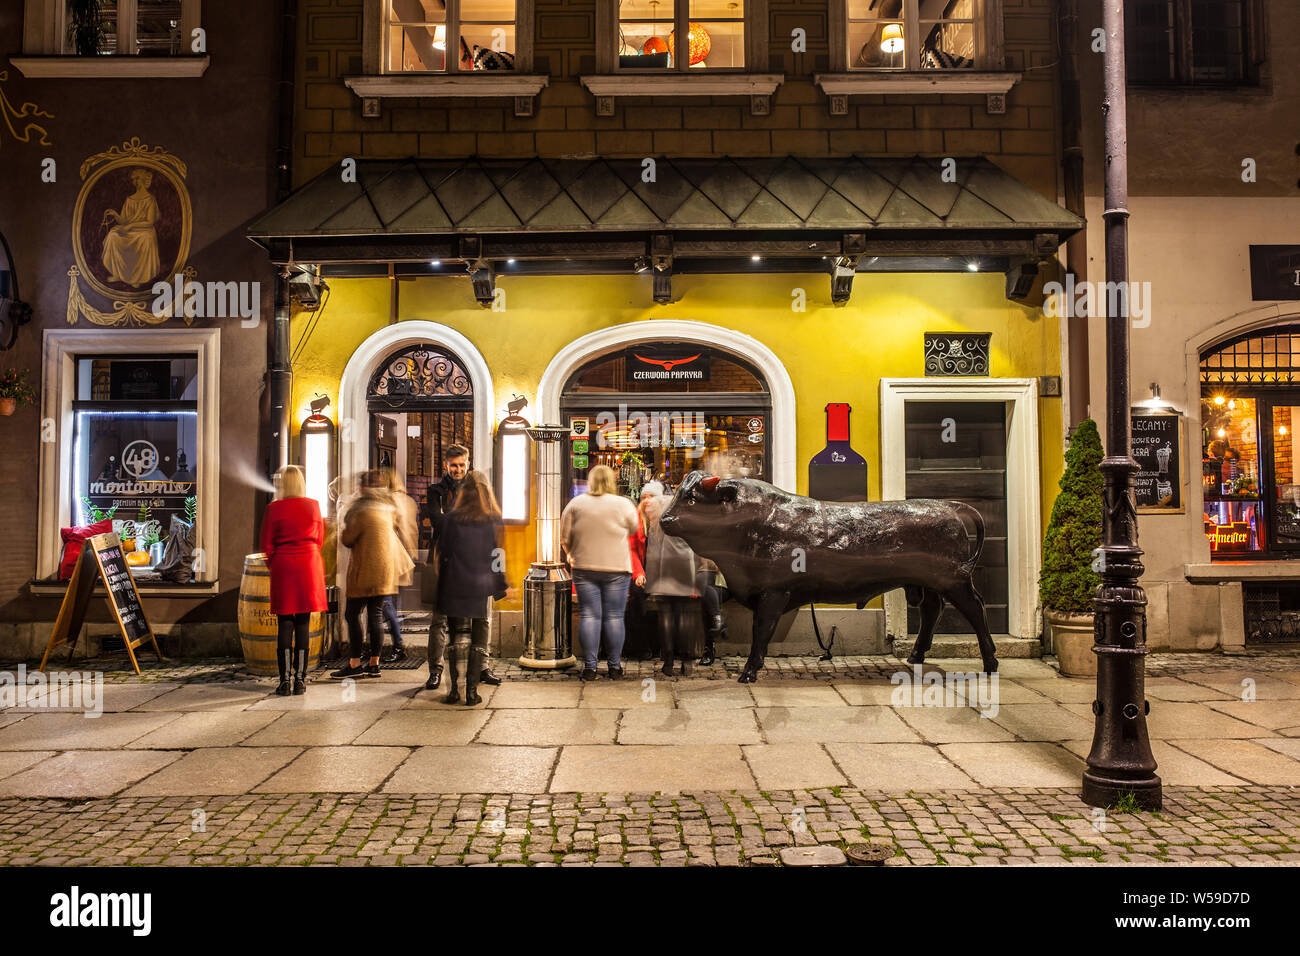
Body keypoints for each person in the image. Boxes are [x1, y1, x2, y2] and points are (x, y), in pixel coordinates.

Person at [423, 444, 501, 690]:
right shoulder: (436, 490)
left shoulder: (476, 487)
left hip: (475, 561)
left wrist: (453, 517)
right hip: (443, 560)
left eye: (461, 465)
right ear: (445, 465)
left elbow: (488, 521)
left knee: (482, 618)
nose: (457, 470)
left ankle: (482, 667)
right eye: (453, 465)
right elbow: (437, 520)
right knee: (440, 618)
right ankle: (436, 669)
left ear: (469, 464)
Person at [435, 470, 509, 705]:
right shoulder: (493, 520)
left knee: (455, 637)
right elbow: (498, 554)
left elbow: (443, 554)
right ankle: (472, 691)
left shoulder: (450, 519)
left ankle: (454, 690)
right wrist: (500, 584)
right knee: (479, 633)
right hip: (481, 583)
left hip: (455, 582)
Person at [560, 464, 639, 681]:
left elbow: (565, 538)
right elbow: (633, 528)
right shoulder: (623, 504)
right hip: (617, 567)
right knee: (614, 616)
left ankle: (590, 667)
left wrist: (570, 553)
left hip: (585, 566)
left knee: (590, 616)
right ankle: (614, 667)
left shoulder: (576, 504)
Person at [333, 470, 411, 680]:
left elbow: (347, 539)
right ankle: (374, 664)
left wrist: (342, 526)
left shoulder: (359, 510)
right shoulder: (389, 507)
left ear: (364, 488)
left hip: (363, 571)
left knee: (352, 615)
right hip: (385, 571)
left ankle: (355, 663)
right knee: (376, 616)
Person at [260, 465, 327, 695]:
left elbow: (266, 546)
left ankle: (284, 681)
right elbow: (319, 539)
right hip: (309, 564)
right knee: (304, 622)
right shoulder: (313, 505)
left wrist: (276, 565)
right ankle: (300, 679)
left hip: (284, 565)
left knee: (285, 623)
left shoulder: (273, 509)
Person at [638, 490, 705, 676]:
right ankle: (687, 662)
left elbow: (652, 552)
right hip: (684, 573)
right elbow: (696, 549)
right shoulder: (686, 516)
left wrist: (651, 581)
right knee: (685, 618)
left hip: (663, 575)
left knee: (666, 618)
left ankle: (668, 662)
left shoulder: (656, 520)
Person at [380, 469, 418, 664]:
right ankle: (396, 636)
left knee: (386, 602)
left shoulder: (390, 502)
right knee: (393, 601)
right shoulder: (408, 500)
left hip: (393, 555)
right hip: (405, 556)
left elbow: (397, 528)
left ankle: (398, 643)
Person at [626, 481, 664, 660]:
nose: (647, 501)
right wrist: (638, 573)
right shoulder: (635, 519)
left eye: (651, 497)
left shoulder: (665, 521)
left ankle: (664, 647)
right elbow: (631, 549)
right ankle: (641, 646)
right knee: (637, 596)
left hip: (662, 572)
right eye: (644, 497)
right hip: (642, 571)